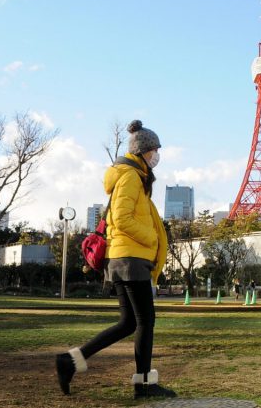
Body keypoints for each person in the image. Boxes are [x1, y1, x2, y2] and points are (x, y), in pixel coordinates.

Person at [56, 120, 176, 399]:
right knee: (146, 320)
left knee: (129, 323)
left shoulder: (133, 176)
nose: (157, 155)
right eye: (155, 150)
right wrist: (151, 238)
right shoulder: (131, 177)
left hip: (124, 258)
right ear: (144, 151)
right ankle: (144, 385)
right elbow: (121, 219)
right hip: (130, 259)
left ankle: (70, 361)